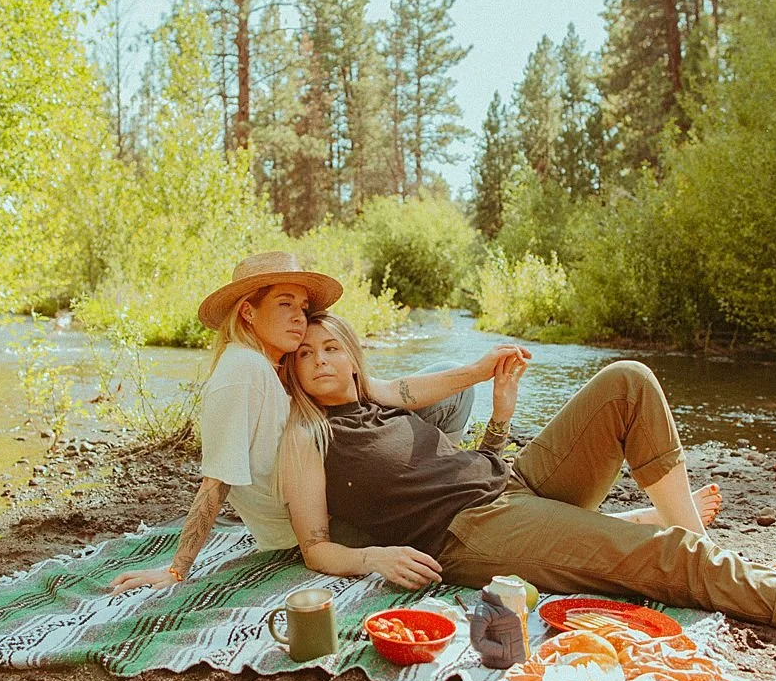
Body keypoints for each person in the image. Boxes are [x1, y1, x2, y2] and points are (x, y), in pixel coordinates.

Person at [279, 312, 776, 647]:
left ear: (351, 356)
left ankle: (684, 533)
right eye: (305, 352)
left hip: (512, 483)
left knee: (628, 380)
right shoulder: (304, 434)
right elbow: (316, 545)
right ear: (294, 371)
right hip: (477, 533)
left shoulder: (381, 398)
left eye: (331, 347)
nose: (321, 359)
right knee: (674, 567)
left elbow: (440, 424)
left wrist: (499, 412)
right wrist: (372, 558)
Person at [108, 252, 528, 592]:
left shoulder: (279, 359)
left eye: (303, 307)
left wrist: (479, 371)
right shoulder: (241, 373)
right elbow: (216, 482)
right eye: (284, 305)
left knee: (449, 385)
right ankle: (430, 503)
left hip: (328, 471)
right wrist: (177, 570)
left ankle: (437, 482)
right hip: (313, 518)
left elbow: (384, 389)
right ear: (249, 313)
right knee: (437, 395)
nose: (298, 317)